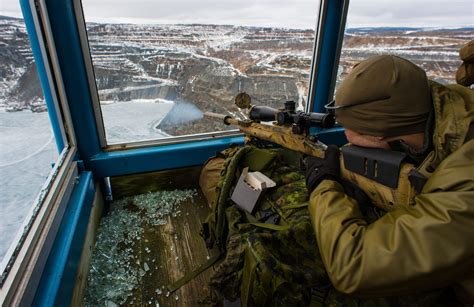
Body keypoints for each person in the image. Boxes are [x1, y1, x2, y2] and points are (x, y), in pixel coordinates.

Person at [304, 54, 474, 304]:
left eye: (356, 143)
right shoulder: (448, 108)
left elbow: (353, 268)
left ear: (380, 136)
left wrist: (323, 184)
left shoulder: (465, 185)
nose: (349, 145)